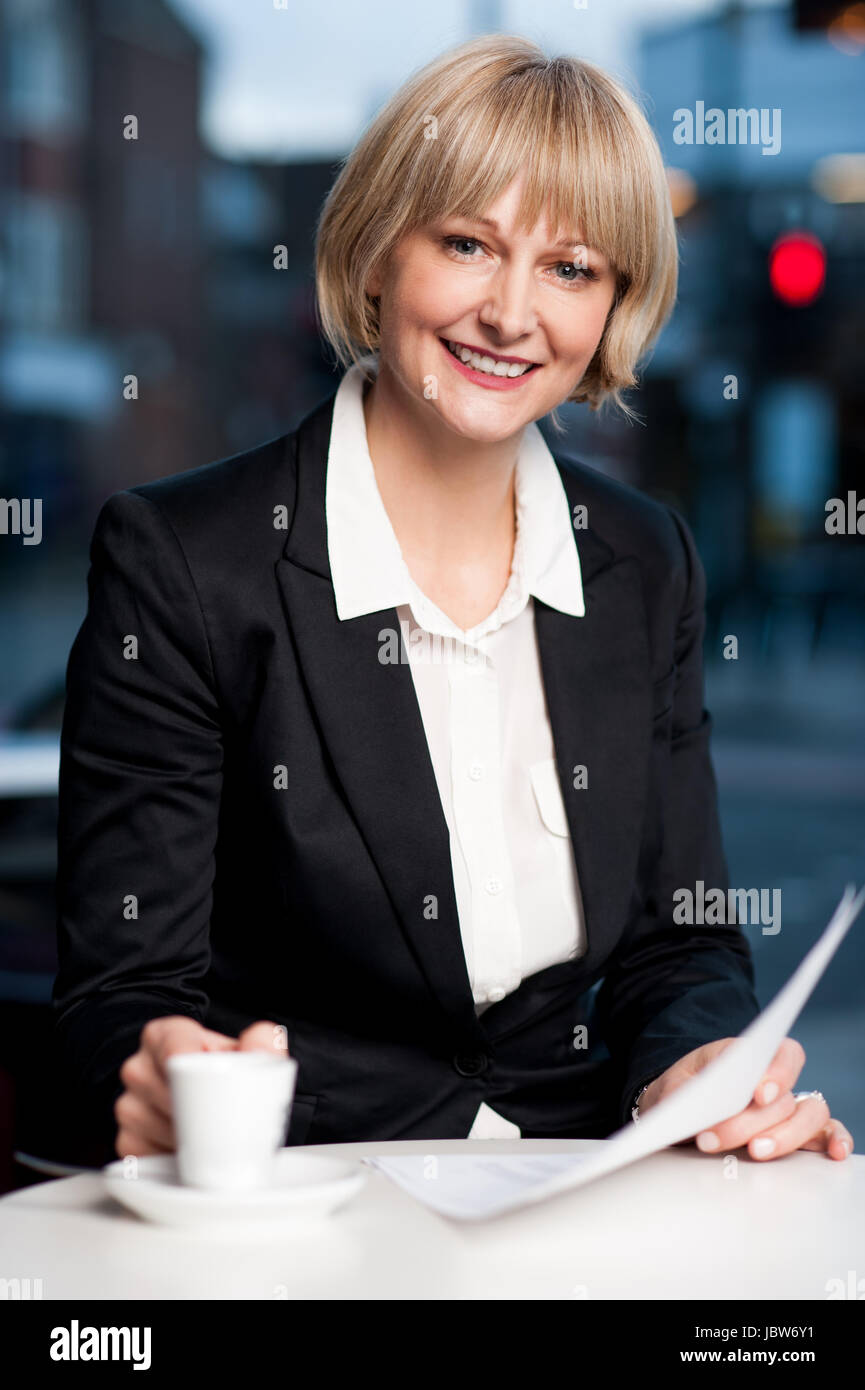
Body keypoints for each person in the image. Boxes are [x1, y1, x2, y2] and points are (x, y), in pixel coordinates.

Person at [52, 34, 851, 1167]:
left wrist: (691, 1066)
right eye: (469, 244)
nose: (512, 314)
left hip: (581, 1193)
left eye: (571, 269)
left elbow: (681, 943)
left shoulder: (640, 556)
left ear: (614, 304)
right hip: (302, 1199)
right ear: (378, 254)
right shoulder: (185, 559)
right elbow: (119, 996)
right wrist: (162, 1076)